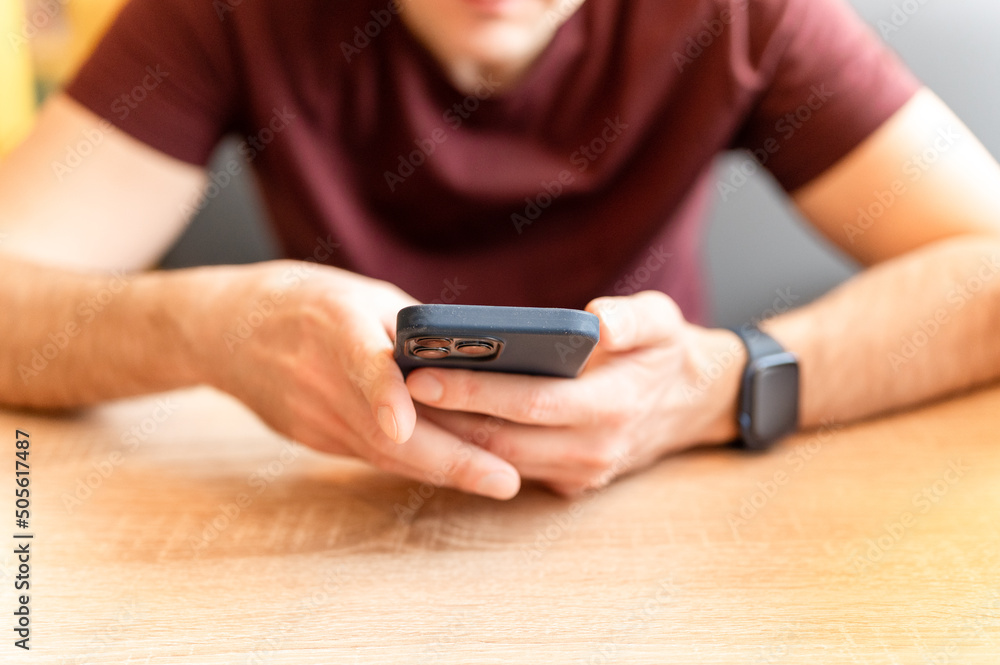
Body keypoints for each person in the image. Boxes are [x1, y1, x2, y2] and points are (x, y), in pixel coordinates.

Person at [2, 0, 1000, 501]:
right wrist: (211, 327)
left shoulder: (740, 15)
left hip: (674, 504)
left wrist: (724, 383)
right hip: (330, 518)